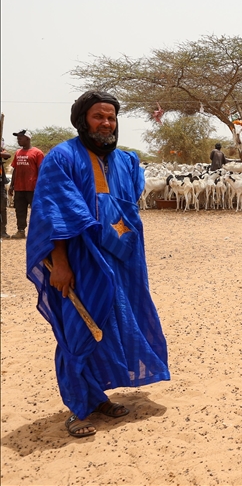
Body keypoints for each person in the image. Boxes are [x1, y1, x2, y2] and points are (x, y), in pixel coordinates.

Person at [25, 90, 170, 438]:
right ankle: (78, 408)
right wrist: (59, 263)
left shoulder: (128, 162)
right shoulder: (62, 158)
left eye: (111, 117)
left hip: (123, 262)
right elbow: (52, 215)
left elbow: (127, 211)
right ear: (82, 121)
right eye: (98, 117)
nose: (107, 123)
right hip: (81, 262)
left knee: (115, 325)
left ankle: (98, 396)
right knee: (79, 330)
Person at [9, 129, 44, 239]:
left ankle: (38, 232)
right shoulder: (18, 153)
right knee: (19, 210)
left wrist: (41, 187)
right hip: (19, 187)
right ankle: (20, 231)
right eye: (17, 138)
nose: (18, 140)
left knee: (37, 210)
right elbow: (15, 169)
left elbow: (42, 170)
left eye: (20, 137)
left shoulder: (37, 153)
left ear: (28, 138)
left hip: (33, 188)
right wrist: (12, 185)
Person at [1, 138, 11, 238]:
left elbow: (7, 155)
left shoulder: (1, 150)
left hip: (0, 183)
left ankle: (2, 230)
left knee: (2, 207)